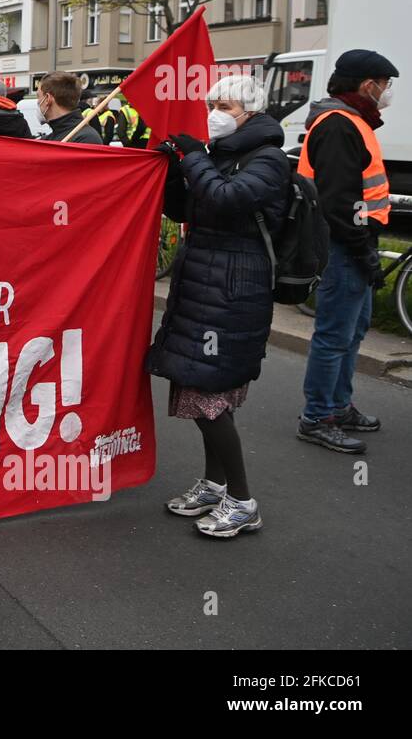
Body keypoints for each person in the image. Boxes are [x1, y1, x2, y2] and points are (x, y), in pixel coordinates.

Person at [147, 75, 290, 539]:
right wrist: (175, 169)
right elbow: (190, 210)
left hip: (233, 294)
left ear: (250, 111)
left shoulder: (267, 160)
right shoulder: (220, 157)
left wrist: (193, 158)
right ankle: (214, 485)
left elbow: (226, 200)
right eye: (211, 103)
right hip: (204, 286)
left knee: (210, 396)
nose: (213, 112)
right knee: (195, 386)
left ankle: (243, 501)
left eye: (223, 104)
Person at [297, 50, 399, 453]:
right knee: (335, 335)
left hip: (352, 245)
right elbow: (339, 204)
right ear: (366, 84)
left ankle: (337, 405)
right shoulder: (339, 125)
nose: (387, 93)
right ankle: (318, 416)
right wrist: (363, 253)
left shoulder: (351, 121)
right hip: (342, 247)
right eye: (385, 85)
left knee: (352, 332)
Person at [39, 73, 104, 144]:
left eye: (38, 96)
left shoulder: (87, 139)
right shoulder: (46, 141)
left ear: (47, 99)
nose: (38, 102)